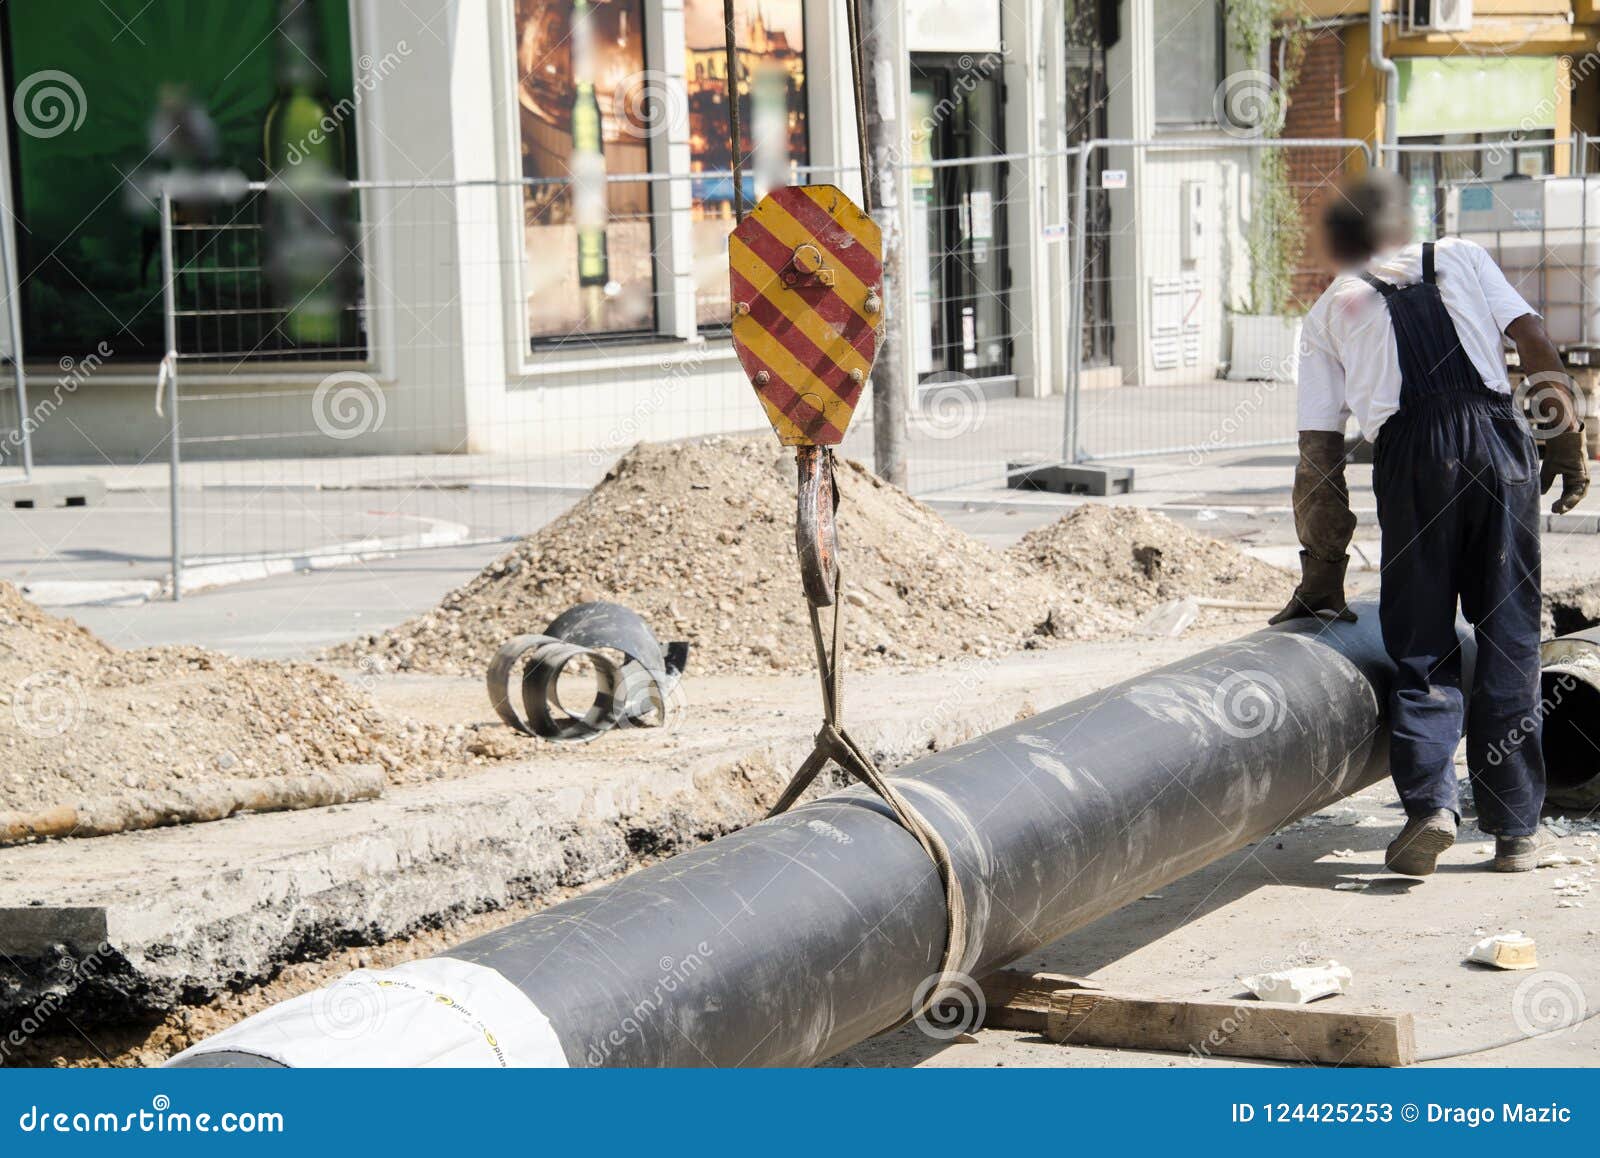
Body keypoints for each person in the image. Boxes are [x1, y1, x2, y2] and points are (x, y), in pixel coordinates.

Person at [1271, 170, 1590, 877]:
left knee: (1420, 639)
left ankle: (1431, 808)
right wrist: (1566, 438)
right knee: (1510, 637)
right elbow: (1533, 337)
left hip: (1413, 465)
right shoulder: (1462, 257)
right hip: (1498, 443)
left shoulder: (1329, 312)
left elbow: (1320, 463)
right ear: (1399, 227)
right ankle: (1515, 832)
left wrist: (1321, 578)